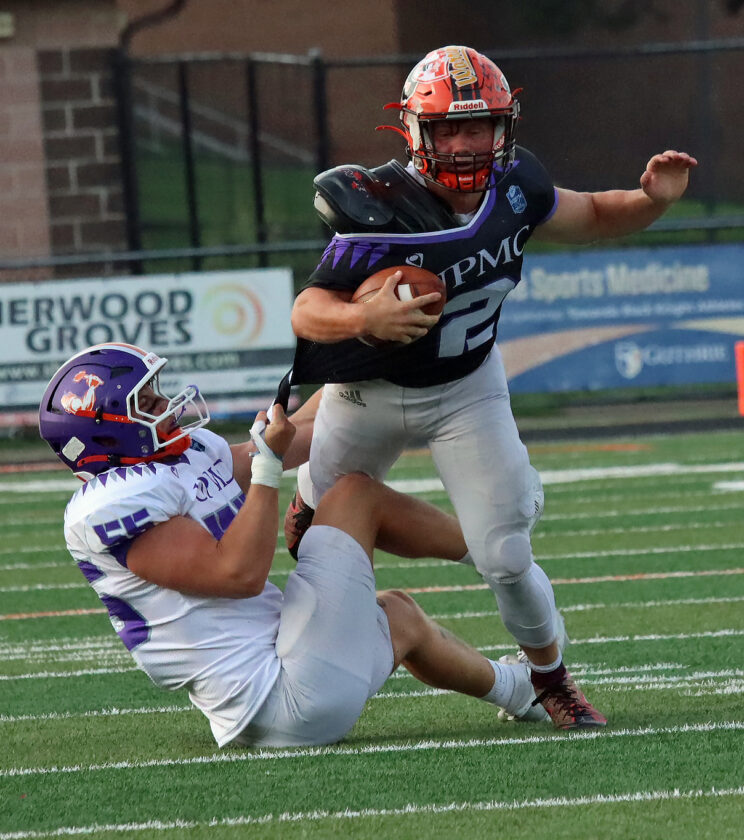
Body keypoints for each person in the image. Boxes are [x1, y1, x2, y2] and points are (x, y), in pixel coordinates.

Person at [283, 45, 698, 730]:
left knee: (505, 556)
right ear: (416, 132)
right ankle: (308, 495)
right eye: (449, 128)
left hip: (466, 390)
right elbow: (307, 309)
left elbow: (593, 214)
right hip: (370, 393)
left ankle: (549, 678)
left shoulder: (516, 189)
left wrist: (651, 200)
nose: (466, 142)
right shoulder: (378, 206)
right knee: (315, 539)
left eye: (479, 127)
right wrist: (363, 316)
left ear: (504, 128)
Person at [38, 341, 553, 748]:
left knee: (399, 616)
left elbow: (301, 435)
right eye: (146, 404)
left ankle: (523, 690)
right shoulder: (111, 504)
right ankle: (490, 553)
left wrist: (357, 363)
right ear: (107, 434)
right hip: (276, 694)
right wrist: (264, 467)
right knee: (353, 494)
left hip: (280, 693)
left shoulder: (178, 458)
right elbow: (238, 576)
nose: (166, 406)